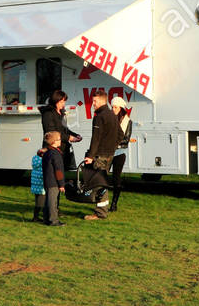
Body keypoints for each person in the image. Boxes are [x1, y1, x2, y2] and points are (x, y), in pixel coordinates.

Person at [81, 88, 119, 220]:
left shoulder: (100, 117)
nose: (93, 104)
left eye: (95, 101)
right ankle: (102, 210)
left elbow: (95, 139)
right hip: (109, 154)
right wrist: (113, 147)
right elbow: (120, 134)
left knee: (99, 183)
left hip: (101, 155)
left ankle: (100, 213)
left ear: (102, 101)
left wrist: (90, 156)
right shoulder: (112, 115)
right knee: (103, 180)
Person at [39, 90, 82, 173]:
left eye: (64, 101)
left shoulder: (61, 113)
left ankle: (62, 185)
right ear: (56, 100)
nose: (64, 104)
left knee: (61, 174)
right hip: (52, 149)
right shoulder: (48, 113)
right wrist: (69, 137)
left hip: (62, 149)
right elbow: (51, 132)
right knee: (53, 173)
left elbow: (65, 129)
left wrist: (75, 135)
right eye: (62, 101)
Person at [109, 95, 133, 213]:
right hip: (108, 152)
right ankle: (101, 202)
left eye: (115, 107)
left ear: (121, 108)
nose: (113, 109)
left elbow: (126, 139)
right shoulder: (110, 119)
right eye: (112, 107)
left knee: (116, 179)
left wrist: (113, 142)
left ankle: (114, 203)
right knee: (102, 176)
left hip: (119, 152)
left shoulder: (127, 121)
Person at [35, 130, 64, 226]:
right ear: (53, 142)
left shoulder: (47, 152)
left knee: (48, 201)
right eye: (59, 139)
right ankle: (53, 220)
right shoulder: (55, 154)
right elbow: (58, 170)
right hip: (54, 182)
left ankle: (46, 219)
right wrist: (61, 184)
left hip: (47, 181)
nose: (60, 141)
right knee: (53, 202)